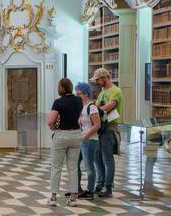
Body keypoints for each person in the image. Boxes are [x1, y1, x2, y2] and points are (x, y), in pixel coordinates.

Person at [46, 77, 83, 206]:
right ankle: (73, 198)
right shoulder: (79, 100)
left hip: (61, 135)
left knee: (56, 167)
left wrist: (53, 128)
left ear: (60, 88)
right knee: (73, 167)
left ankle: (53, 198)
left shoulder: (58, 102)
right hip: (76, 134)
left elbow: (50, 121)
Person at [91, 69, 123, 197]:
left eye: (98, 80)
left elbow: (107, 106)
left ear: (104, 77)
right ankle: (100, 182)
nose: (97, 83)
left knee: (107, 159)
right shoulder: (103, 92)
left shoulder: (116, 91)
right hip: (100, 128)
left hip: (109, 128)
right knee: (97, 156)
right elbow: (97, 106)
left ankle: (108, 187)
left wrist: (93, 110)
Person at [76, 82, 103, 199]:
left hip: (90, 140)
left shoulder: (91, 107)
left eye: (79, 94)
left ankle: (90, 191)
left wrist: (85, 136)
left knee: (89, 166)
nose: (77, 96)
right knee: (75, 164)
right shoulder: (81, 107)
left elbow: (97, 124)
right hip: (82, 139)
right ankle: (76, 188)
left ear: (86, 94)